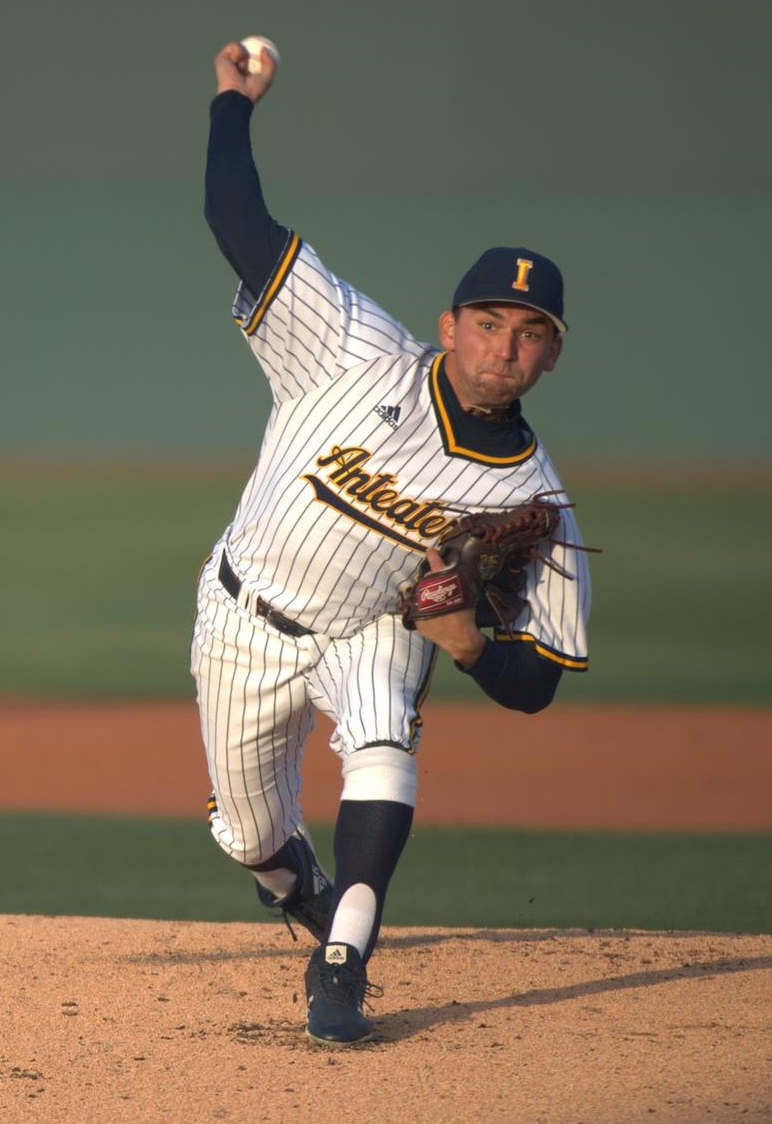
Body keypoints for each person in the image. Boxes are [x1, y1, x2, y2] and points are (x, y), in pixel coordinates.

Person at [192, 39, 592, 1046]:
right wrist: (232, 106)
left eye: (529, 332)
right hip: (242, 615)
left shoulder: (533, 498)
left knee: (381, 735)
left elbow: (536, 682)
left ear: (551, 355)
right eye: (489, 320)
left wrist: (462, 641)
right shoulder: (348, 345)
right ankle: (305, 894)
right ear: (448, 323)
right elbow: (235, 223)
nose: (504, 347)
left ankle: (344, 954)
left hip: (368, 627)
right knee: (250, 836)